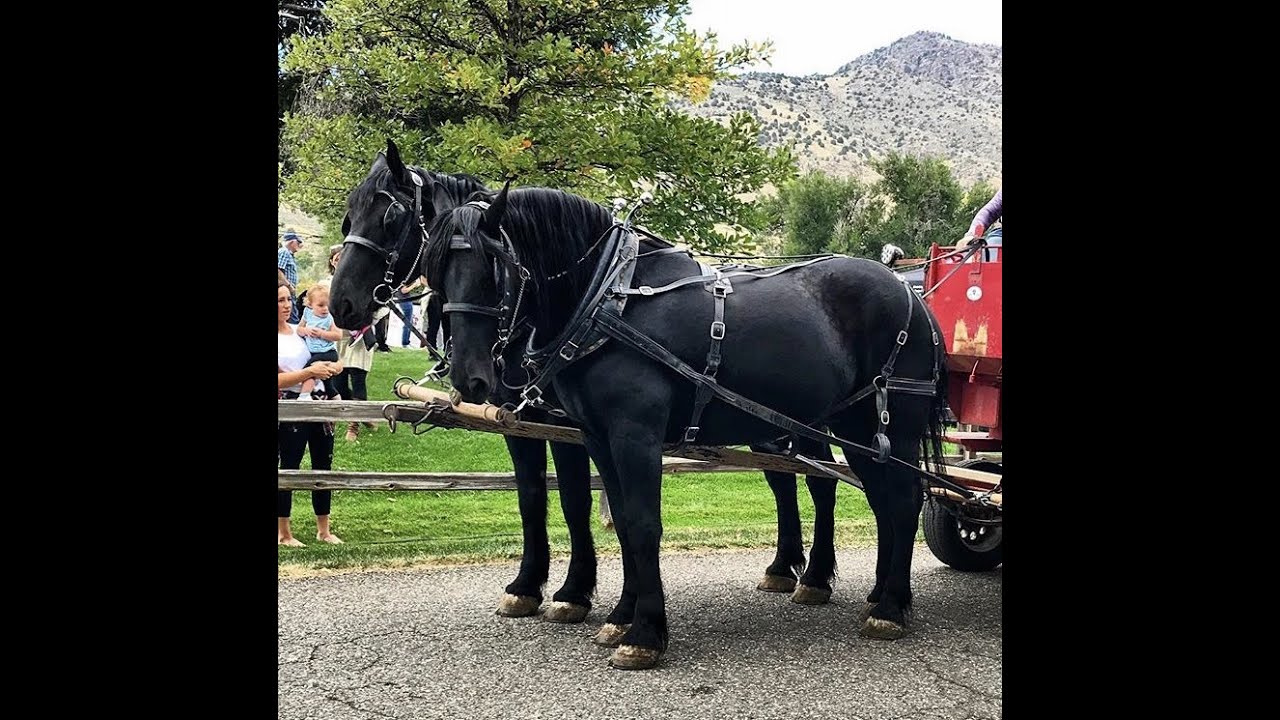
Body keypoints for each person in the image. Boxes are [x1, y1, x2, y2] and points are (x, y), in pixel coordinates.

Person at [278, 277, 345, 546]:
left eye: (288, 299)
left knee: (323, 465)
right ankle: (284, 532)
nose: (286, 305)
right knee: (289, 467)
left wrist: (335, 367)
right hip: (291, 407)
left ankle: (324, 529)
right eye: (280, 300)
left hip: (320, 403)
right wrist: (308, 373)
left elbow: (330, 354)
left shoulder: (300, 330)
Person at [296, 283, 342, 400]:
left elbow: (338, 335)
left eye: (328, 304)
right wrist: (306, 331)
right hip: (313, 351)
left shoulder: (330, 318)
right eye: (321, 305)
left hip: (327, 352)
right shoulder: (307, 313)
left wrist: (322, 334)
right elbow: (299, 329)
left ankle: (304, 395)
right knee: (327, 382)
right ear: (310, 304)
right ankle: (335, 397)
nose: (325, 308)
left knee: (309, 370)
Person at [278, 230, 304, 323]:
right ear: (292, 242)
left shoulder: (289, 255)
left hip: (288, 291)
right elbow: (279, 270)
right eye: (298, 242)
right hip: (286, 291)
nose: (299, 245)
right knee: (293, 319)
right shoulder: (284, 252)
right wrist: (289, 286)